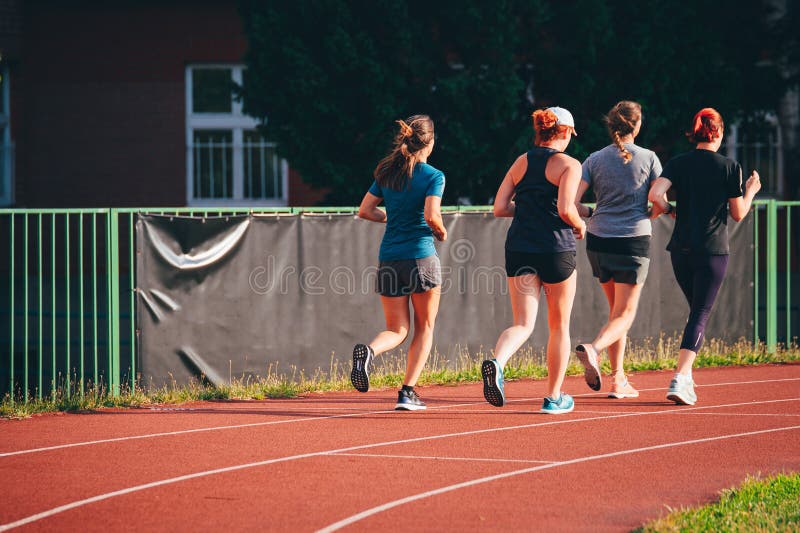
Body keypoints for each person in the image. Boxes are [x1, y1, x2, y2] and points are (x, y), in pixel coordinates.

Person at [648, 107, 761, 405]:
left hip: (681, 251)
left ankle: (687, 378)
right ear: (720, 133)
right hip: (712, 250)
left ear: (695, 133)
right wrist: (751, 191)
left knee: (696, 313)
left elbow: (655, 195)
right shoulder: (729, 166)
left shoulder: (679, 162)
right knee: (700, 314)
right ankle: (681, 377)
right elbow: (738, 214)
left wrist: (672, 211)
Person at [482, 107, 586, 414]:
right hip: (556, 249)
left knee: (524, 323)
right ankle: (553, 397)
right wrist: (580, 225)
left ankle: (498, 362)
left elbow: (500, 207)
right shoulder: (569, 164)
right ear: (565, 132)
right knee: (559, 326)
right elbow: (567, 209)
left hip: (520, 248)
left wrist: (529, 209)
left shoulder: (521, 161)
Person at [352, 115, 447, 411]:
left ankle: (369, 351)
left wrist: (390, 217)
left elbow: (365, 211)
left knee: (396, 330)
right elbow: (432, 216)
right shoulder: (434, 175)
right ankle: (408, 392)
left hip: (389, 258)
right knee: (425, 327)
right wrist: (441, 232)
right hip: (420, 257)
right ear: (429, 143)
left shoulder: (386, 172)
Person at [573, 101, 663, 398]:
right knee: (625, 314)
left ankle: (618, 379)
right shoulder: (649, 157)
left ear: (610, 126)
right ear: (636, 126)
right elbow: (659, 200)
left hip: (599, 240)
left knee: (616, 313)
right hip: (632, 240)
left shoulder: (594, 159)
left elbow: (573, 203)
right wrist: (654, 213)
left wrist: (590, 214)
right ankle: (594, 349)